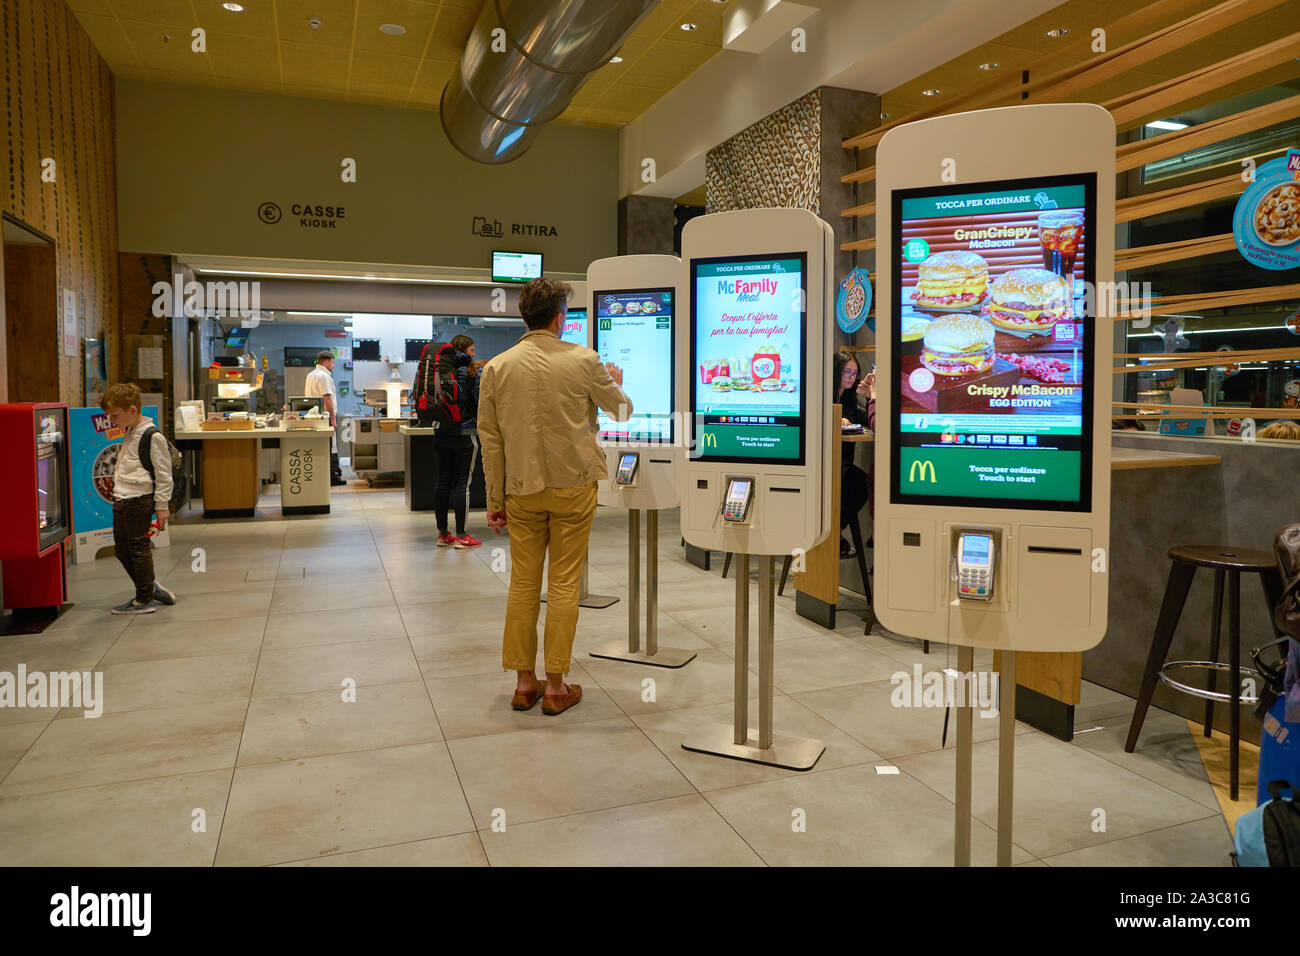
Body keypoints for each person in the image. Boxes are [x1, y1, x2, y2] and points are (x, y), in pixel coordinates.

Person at [478, 276, 632, 716]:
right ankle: (557, 685)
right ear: (560, 317)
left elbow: (491, 441)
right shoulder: (585, 360)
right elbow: (620, 411)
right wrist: (616, 382)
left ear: (525, 316)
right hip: (572, 487)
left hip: (521, 490)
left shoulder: (496, 368)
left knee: (523, 583)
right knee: (564, 584)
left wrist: (494, 499)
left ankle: (525, 682)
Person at [100, 383, 176, 614]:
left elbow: (164, 474)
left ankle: (143, 598)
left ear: (132, 410)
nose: (111, 419)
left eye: (115, 415)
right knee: (122, 550)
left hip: (139, 500)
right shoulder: (130, 430)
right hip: (122, 499)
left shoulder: (152, 436)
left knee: (138, 548)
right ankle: (149, 586)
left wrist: (162, 506)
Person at [434, 333, 483, 548]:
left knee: (443, 483)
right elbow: (478, 402)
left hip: (441, 432)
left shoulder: (440, 371)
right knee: (463, 484)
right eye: (471, 351)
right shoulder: (470, 372)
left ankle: (443, 534)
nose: (474, 355)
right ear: (464, 352)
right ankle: (462, 535)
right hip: (464, 433)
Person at [834, 350, 874, 558]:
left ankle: (835, 533)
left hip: (843, 464)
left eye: (855, 373)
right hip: (825, 464)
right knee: (855, 481)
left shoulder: (850, 400)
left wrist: (869, 397)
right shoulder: (822, 397)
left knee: (860, 482)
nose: (851, 377)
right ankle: (834, 535)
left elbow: (868, 422)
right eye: (846, 372)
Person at [304, 350, 347, 486]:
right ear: (327, 362)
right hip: (325, 417)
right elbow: (327, 399)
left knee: (321, 448)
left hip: (314, 417)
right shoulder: (324, 376)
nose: (334, 365)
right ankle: (333, 477)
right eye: (333, 362)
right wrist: (333, 421)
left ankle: (323, 476)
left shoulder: (311, 375)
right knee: (331, 447)